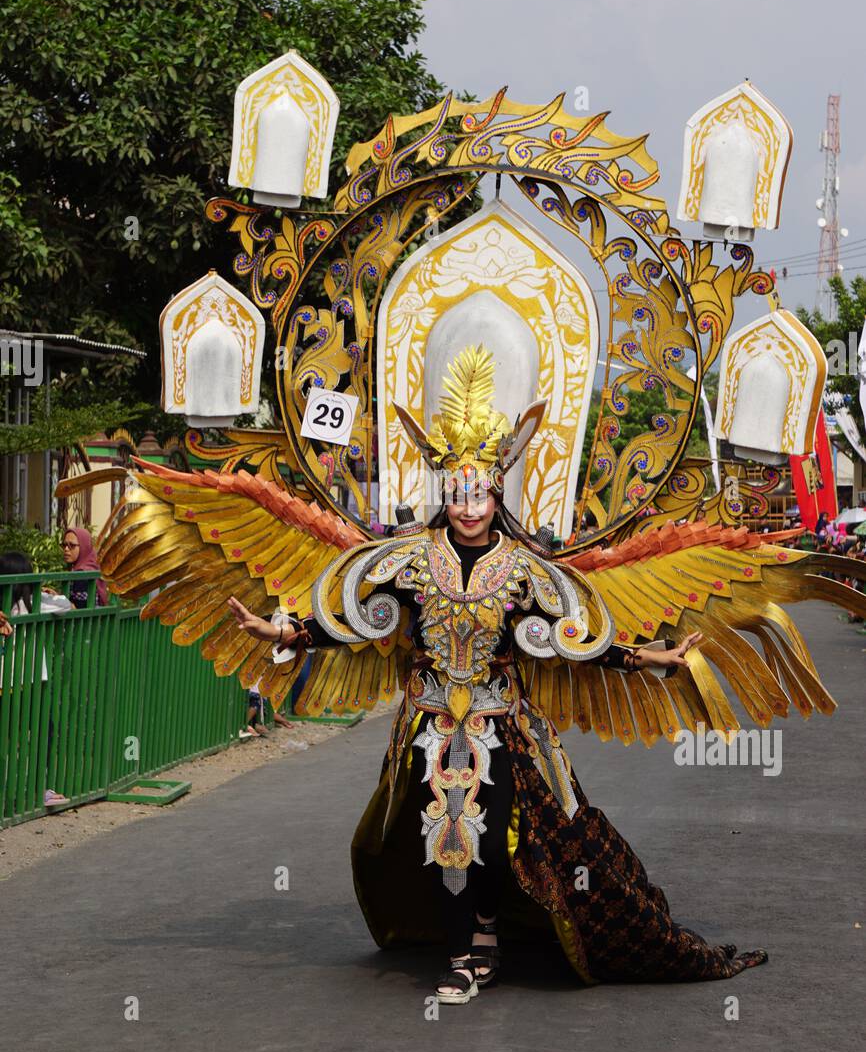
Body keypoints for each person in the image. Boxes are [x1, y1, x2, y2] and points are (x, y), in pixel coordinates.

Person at [227, 346, 768, 1005]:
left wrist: (647, 657)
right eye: (457, 492)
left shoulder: (524, 570)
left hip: (503, 729)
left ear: (496, 493)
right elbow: (350, 620)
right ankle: (467, 953)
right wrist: (286, 633)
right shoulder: (407, 561)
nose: (469, 505)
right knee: (448, 842)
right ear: (444, 493)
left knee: (491, 844)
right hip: (430, 731)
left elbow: (577, 640)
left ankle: (487, 933)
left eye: (480, 492)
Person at [0, 551, 72, 808]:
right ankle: (38, 790)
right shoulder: (34, 603)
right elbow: (66, 606)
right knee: (44, 730)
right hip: (28, 682)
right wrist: (51, 594)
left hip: (4, 684)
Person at [61, 527, 108, 608]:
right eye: (64, 545)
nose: (66, 549)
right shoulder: (92, 567)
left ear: (84, 547)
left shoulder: (82, 574)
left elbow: (80, 611)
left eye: (71, 545)